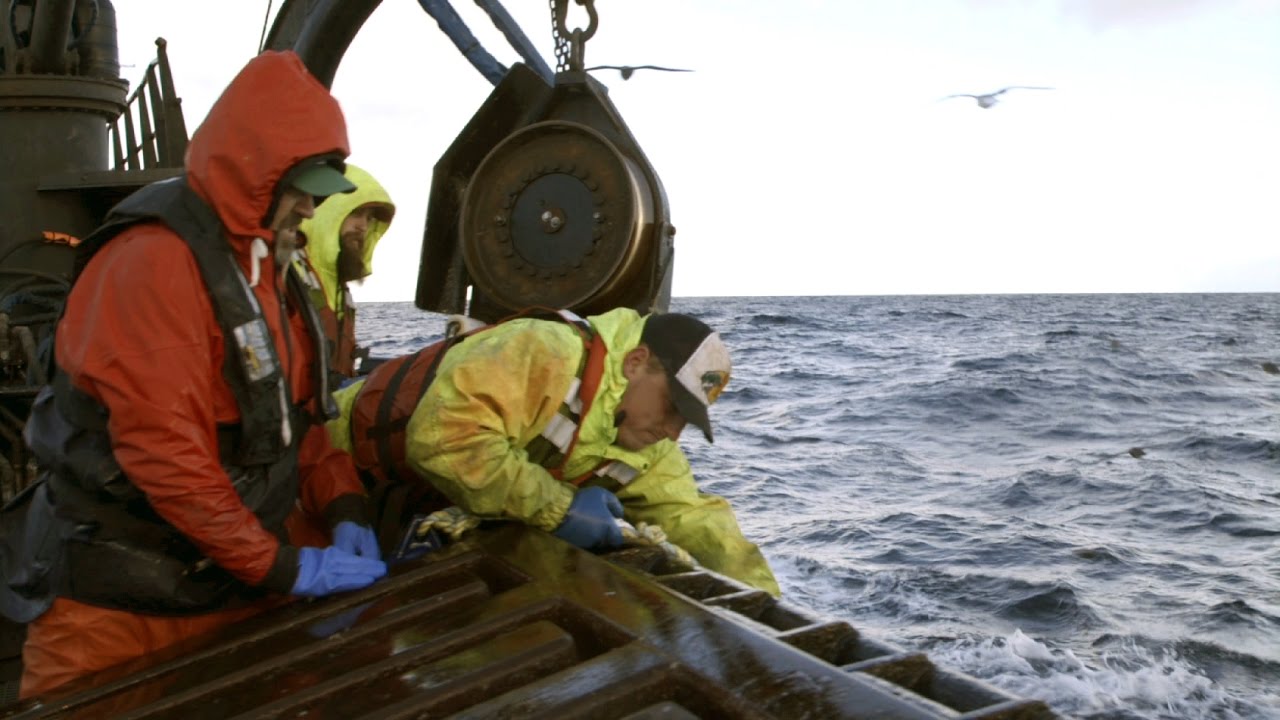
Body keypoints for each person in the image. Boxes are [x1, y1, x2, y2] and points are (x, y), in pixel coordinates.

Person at [0, 50, 387, 698]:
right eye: (302, 192)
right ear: (260, 174)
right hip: (121, 607)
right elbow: (166, 456)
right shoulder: (152, 263)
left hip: (228, 583)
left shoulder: (271, 276)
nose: (307, 212)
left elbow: (296, 426)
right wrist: (284, 568)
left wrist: (344, 506)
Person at [328, 308, 781, 596]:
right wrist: (562, 511)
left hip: (406, 514)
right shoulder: (544, 350)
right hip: (330, 475)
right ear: (635, 362)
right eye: (671, 408)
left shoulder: (649, 446)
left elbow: (695, 519)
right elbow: (446, 439)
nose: (672, 432)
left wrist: (767, 610)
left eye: (687, 422)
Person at [293, 164, 395, 378]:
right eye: (356, 213)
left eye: (369, 218)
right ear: (326, 211)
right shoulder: (289, 276)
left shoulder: (339, 289)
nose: (363, 227)